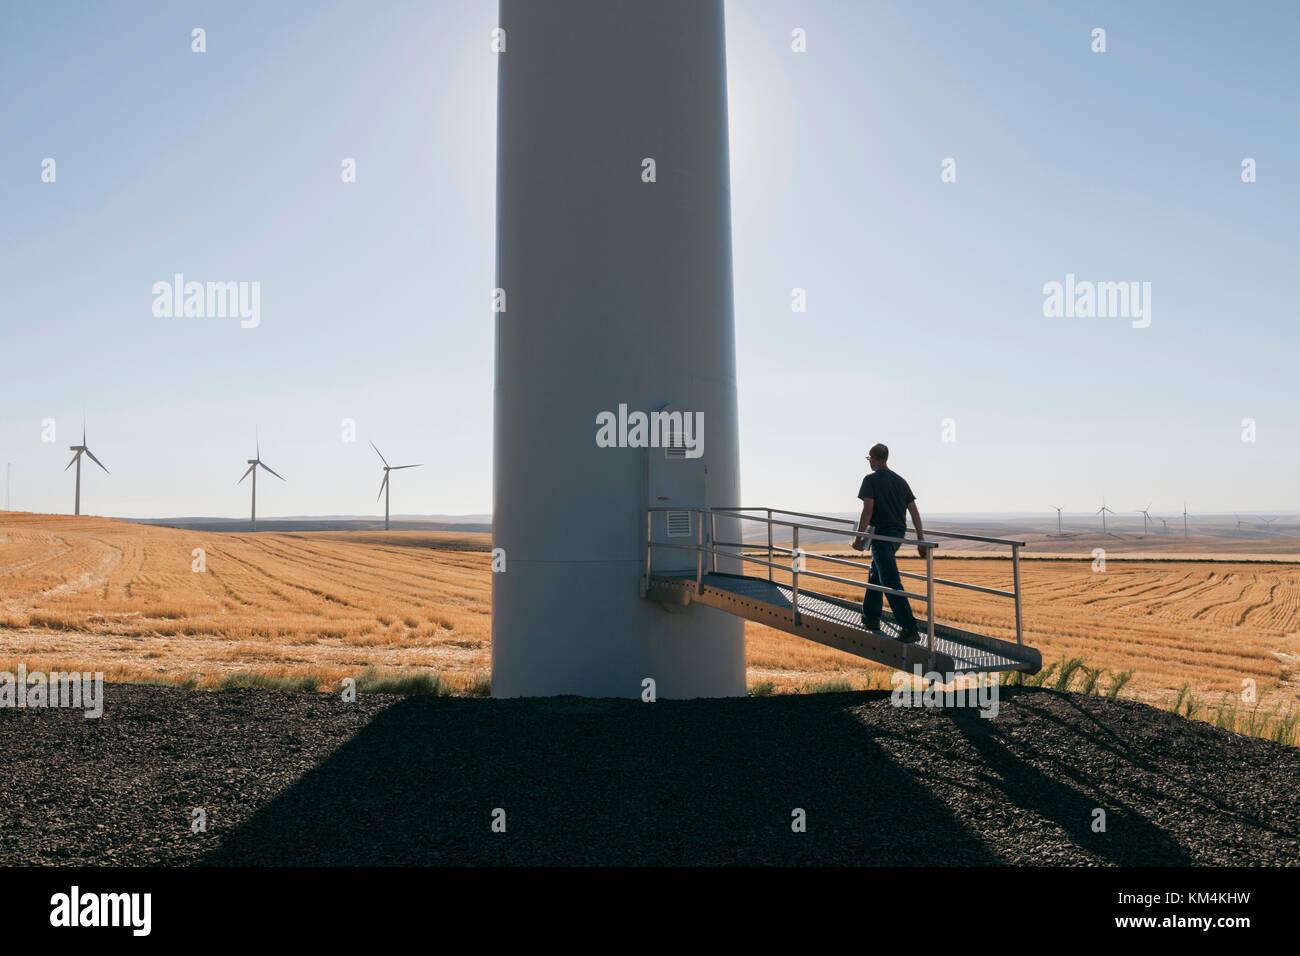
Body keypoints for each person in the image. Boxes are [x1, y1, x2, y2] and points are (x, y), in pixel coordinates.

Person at [850, 443, 924, 643]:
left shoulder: (870, 480)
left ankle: (909, 627)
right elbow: (914, 511)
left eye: (869, 460)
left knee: (890, 581)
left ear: (873, 458)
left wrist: (858, 539)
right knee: (876, 573)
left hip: (881, 536)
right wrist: (920, 540)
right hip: (896, 536)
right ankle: (871, 617)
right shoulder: (900, 481)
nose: (870, 463)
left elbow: (868, 511)